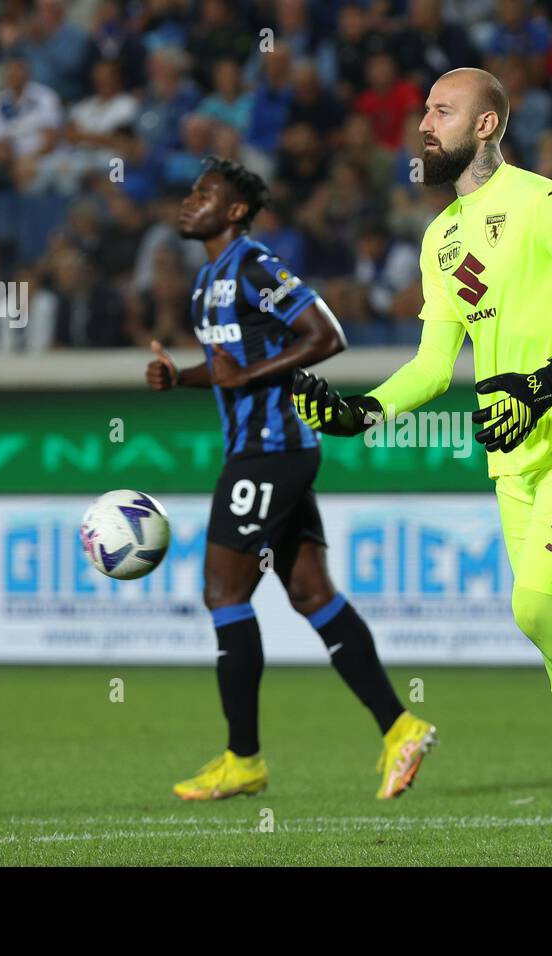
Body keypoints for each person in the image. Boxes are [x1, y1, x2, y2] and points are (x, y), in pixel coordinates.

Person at [292, 69, 552, 858]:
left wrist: (548, 381)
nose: (423, 123)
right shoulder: (443, 236)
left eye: (442, 110)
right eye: (423, 109)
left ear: (489, 124)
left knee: (535, 608)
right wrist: (361, 413)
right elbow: (435, 366)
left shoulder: (547, 202)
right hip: (514, 457)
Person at [146, 158, 435, 801]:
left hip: (269, 451)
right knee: (310, 594)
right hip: (267, 452)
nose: (189, 202)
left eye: (204, 194)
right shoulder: (206, 282)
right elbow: (232, 366)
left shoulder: (253, 265)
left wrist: (246, 380)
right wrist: (183, 378)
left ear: (236, 212)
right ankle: (401, 727)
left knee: (224, 593)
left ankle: (242, 759)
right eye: (190, 191)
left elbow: (325, 335)